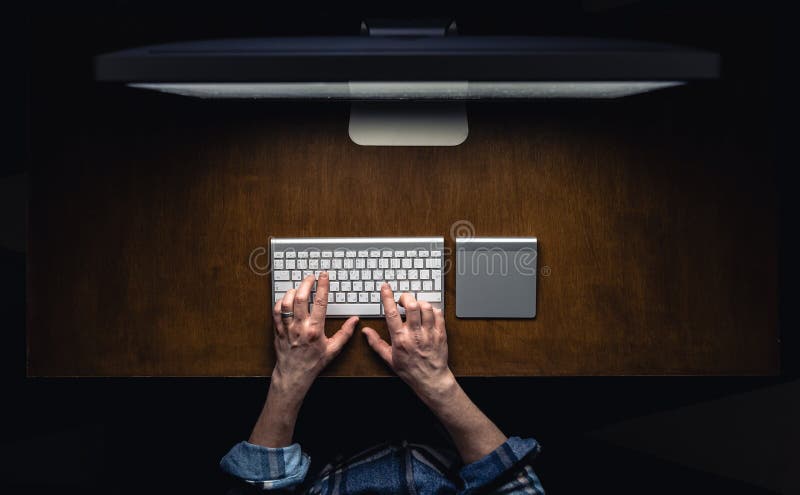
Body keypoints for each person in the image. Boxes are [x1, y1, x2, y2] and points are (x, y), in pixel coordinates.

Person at [220, 273, 545, 494]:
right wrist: (437, 384)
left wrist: (289, 378)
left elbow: (254, 485)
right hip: (451, 453)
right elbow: (516, 485)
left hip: (320, 448)